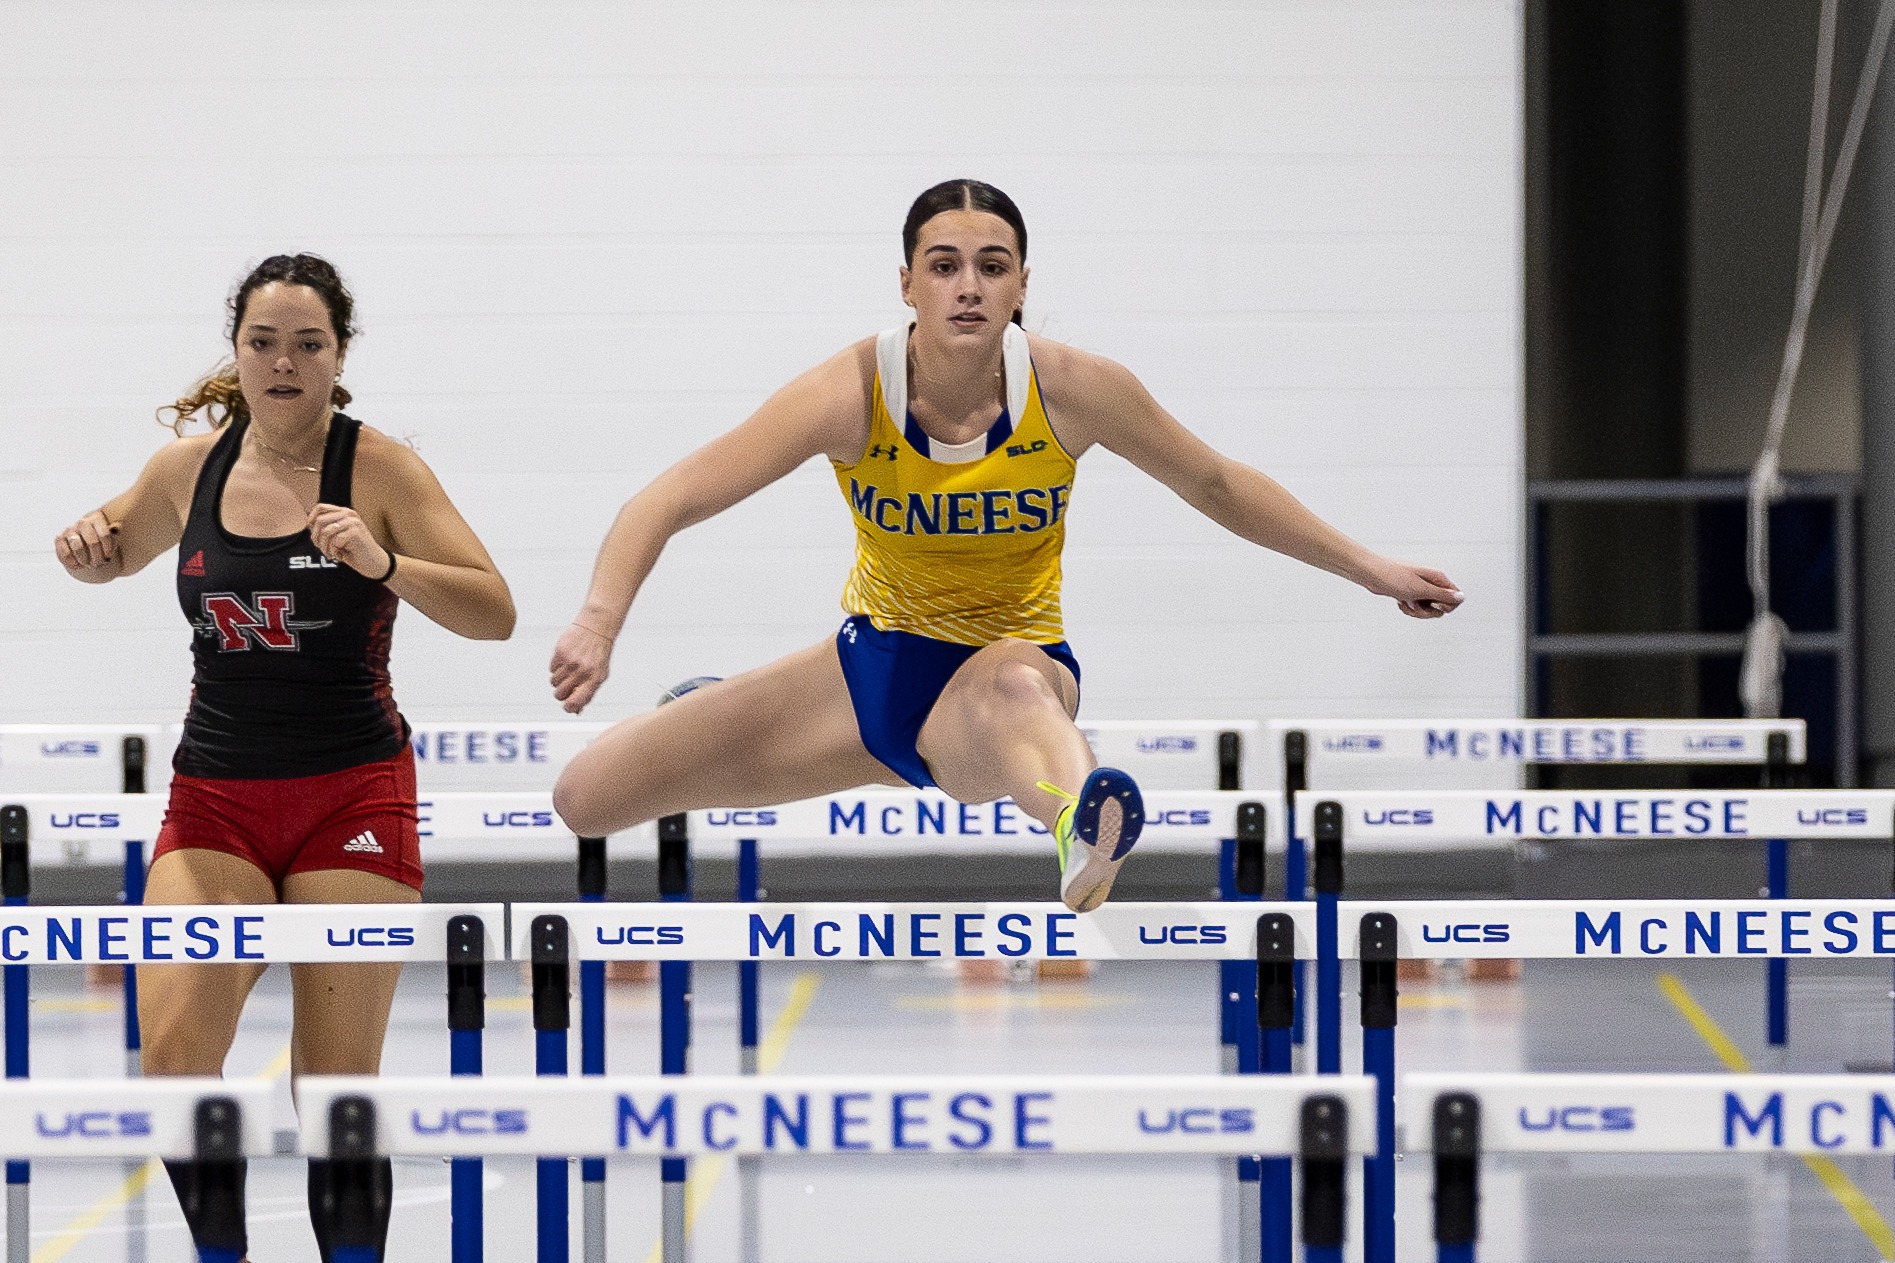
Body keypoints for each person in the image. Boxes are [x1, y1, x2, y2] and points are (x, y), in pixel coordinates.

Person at [549, 180, 1461, 911]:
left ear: (1022, 284)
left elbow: (1216, 484)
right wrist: (598, 619)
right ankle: (700, 707)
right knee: (585, 799)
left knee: (1019, 688)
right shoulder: (848, 393)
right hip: (868, 667)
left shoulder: (1072, 390)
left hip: (1004, 671)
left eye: (992, 266)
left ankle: (1082, 820)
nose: (968, 285)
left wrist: (1368, 568)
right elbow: (663, 498)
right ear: (905, 282)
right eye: (943, 265)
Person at [53, 254, 514, 1262]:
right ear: (237, 352)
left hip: (350, 791)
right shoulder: (191, 469)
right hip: (214, 797)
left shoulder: (378, 469)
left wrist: (384, 562)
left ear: (338, 357)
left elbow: (495, 612)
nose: (283, 361)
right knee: (173, 1061)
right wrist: (84, 545)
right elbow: (114, 551)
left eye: (307, 343)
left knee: (333, 1082)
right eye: (263, 342)